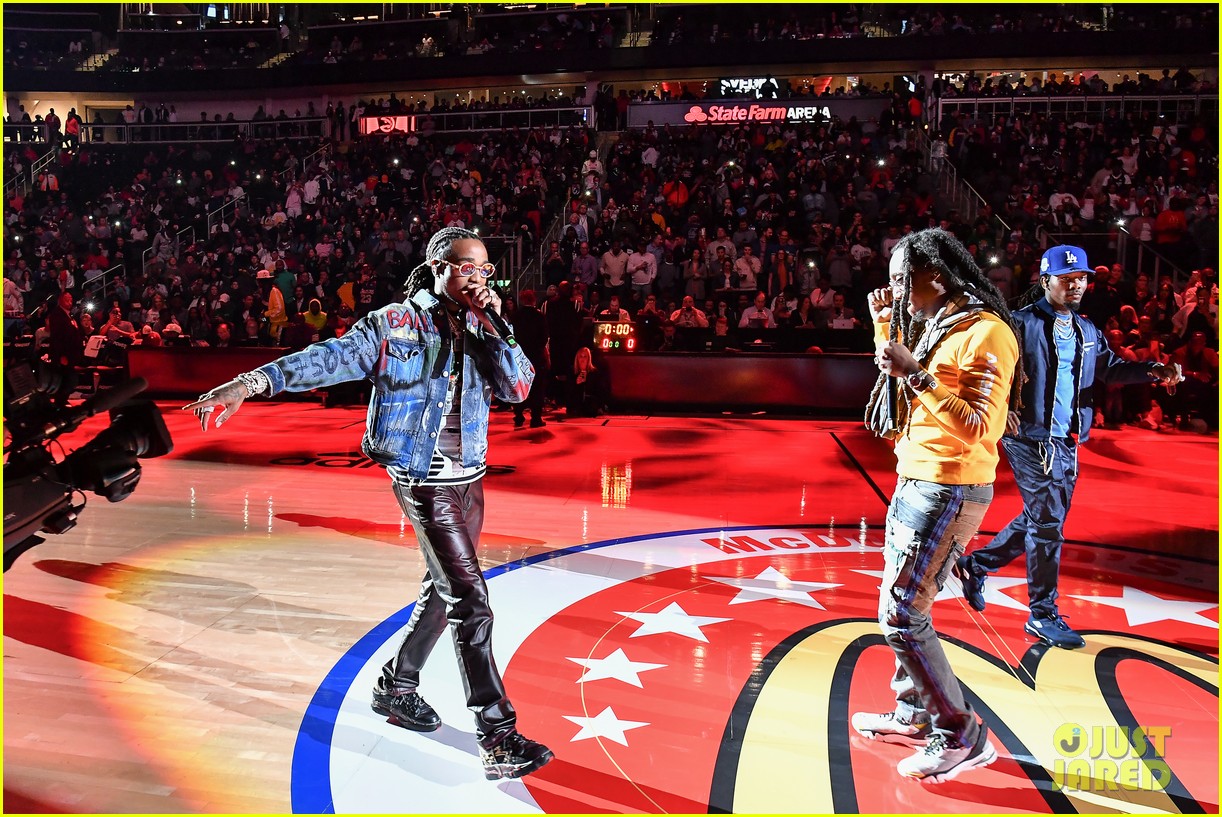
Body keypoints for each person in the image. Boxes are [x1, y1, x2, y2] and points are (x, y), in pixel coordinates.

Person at [183, 227, 553, 781]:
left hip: (470, 479)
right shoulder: (393, 324)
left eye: (483, 269)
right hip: (425, 478)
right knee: (471, 602)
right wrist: (248, 383)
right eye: (465, 267)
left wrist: (497, 327)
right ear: (436, 267)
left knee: (442, 593)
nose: (477, 277)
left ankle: (395, 688)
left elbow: (519, 388)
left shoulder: (484, 324)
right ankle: (496, 735)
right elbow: (324, 359)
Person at [854, 228, 1020, 782]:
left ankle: (960, 734)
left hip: (947, 489)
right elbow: (895, 382)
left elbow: (981, 426)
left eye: (904, 278)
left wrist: (917, 373)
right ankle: (914, 712)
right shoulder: (939, 326)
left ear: (938, 277)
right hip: (916, 478)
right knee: (897, 602)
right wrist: (885, 329)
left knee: (903, 612)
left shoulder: (988, 334)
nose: (898, 290)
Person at [956, 245, 1183, 650]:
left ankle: (977, 564)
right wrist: (1002, 407)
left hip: (1068, 438)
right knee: (1048, 525)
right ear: (1046, 281)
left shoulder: (1086, 330)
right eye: (1067, 278)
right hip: (1028, 438)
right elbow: (991, 368)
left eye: (1081, 279)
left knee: (1043, 515)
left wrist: (1154, 370)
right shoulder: (1018, 324)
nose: (1077, 285)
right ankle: (1042, 614)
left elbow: (1110, 368)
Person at [511, 289, 549, 429]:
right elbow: (544, 337)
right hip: (536, 357)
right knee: (537, 387)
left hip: (519, 357)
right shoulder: (539, 316)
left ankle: (519, 415)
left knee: (519, 386)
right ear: (533, 300)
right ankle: (536, 418)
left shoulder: (516, 316)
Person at [565, 346, 607, 417]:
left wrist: (600, 406)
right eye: (580, 356)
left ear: (588, 358)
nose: (582, 359)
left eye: (585, 356)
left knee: (591, 407)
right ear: (577, 358)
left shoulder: (594, 372)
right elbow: (567, 390)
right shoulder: (572, 371)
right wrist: (576, 383)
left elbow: (599, 390)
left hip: (589, 402)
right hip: (576, 400)